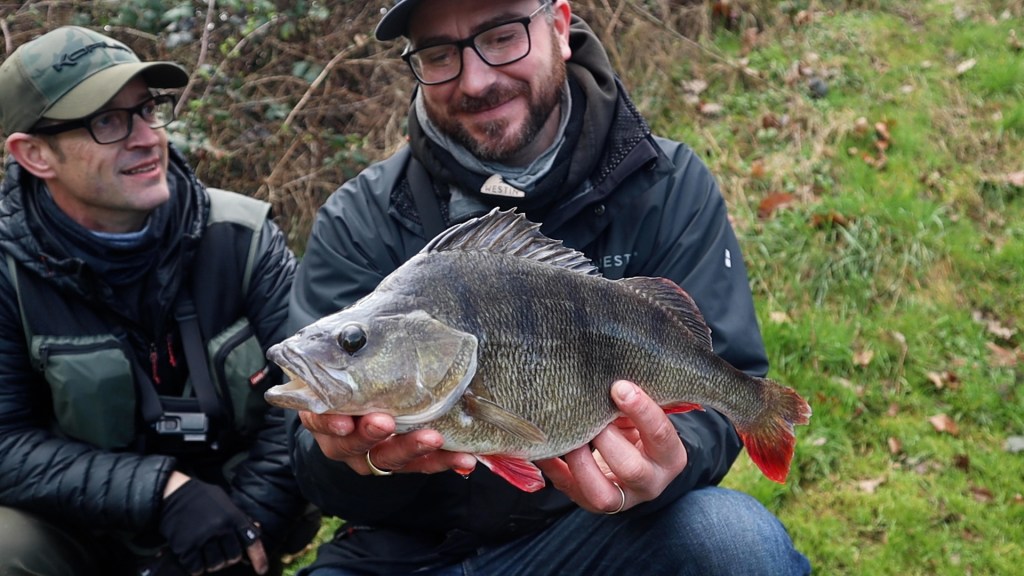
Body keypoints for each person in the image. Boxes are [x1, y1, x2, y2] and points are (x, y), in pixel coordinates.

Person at [288, 1, 811, 574]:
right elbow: (310, 465)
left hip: (596, 534)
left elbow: (720, 374)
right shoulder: (356, 220)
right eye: (439, 54)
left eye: (504, 35)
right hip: (406, 554)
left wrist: (665, 461)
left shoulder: (667, 184)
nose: (477, 78)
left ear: (560, 27)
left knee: (733, 543)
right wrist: (351, 458)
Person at [0, 26, 318, 576]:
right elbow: (5, 445)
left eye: (147, 110)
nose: (146, 137)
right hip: (84, 531)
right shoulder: (7, 273)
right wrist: (160, 491)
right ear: (34, 154)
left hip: (241, 515)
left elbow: (312, 393)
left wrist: (243, 530)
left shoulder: (242, 237)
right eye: (107, 121)